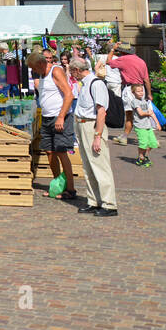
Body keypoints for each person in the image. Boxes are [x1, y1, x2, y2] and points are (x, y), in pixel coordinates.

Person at [28, 51, 77, 200]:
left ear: (41, 64)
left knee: (62, 152)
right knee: (49, 152)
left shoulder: (55, 71)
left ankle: (70, 189)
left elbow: (69, 94)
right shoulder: (42, 75)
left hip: (59, 117)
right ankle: (58, 185)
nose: (33, 72)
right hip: (47, 117)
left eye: (33, 68)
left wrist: (61, 117)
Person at [72, 58, 118, 217]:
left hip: (91, 126)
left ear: (77, 70)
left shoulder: (96, 84)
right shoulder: (85, 84)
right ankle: (94, 200)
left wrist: (98, 136)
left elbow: (101, 111)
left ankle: (109, 204)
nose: (72, 75)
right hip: (82, 124)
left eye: (72, 72)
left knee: (100, 165)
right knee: (88, 166)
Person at [106, 43, 153, 145]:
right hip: (141, 88)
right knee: (142, 113)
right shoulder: (141, 61)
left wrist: (113, 50)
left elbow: (108, 62)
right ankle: (147, 136)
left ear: (123, 52)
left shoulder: (124, 59)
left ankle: (126, 137)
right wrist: (149, 93)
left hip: (130, 88)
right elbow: (146, 80)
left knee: (129, 114)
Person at [129, 83, 159, 168]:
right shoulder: (135, 102)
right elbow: (141, 113)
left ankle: (144, 155)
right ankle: (141, 157)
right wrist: (148, 113)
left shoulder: (145, 101)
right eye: (138, 91)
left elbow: (151, 113)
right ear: (133, 93)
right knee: (143, 143)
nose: (141, 93)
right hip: (140, 126)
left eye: (142, 90)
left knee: (153, 143)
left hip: (148, 126)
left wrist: (157, 123)